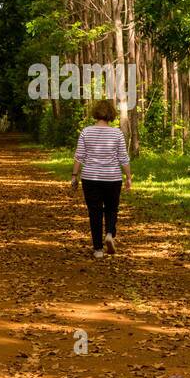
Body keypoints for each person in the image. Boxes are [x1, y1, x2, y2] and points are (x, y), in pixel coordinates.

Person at [71, 99, 132, 259]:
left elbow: (79, 156)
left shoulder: (86, 132)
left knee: (95, 212)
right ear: (111, 114)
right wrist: (128, 177)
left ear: (96, 113)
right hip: (112, 178)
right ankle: (110, 234)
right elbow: (123, 158)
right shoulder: (117, 133)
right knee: (112, 209)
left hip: (90, 178)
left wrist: (74, 176)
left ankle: (98, 249)